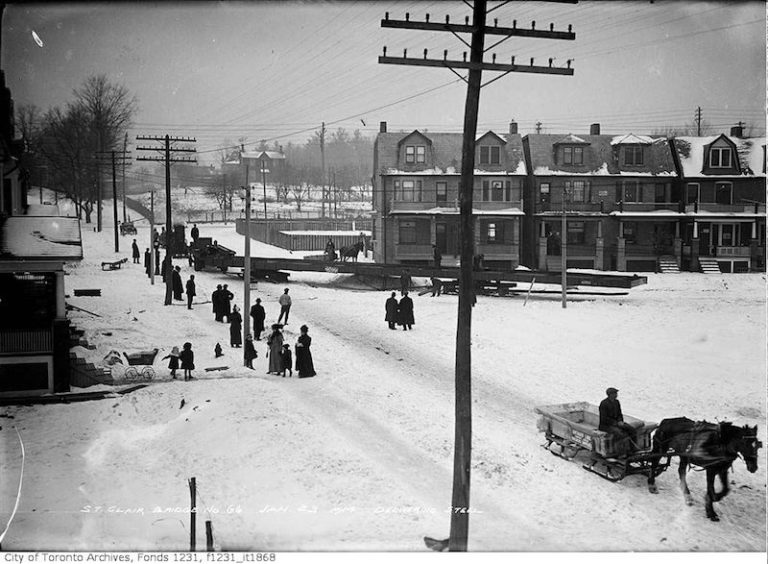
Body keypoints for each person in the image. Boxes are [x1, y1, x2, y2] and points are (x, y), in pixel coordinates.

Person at [598, 387, 638, 454]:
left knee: (632, 430)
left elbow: (619, 413)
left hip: (617, 423)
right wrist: (616, 423)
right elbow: (604, 419)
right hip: (606, 425)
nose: (616, 395)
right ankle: (620, 452)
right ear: (610, 394)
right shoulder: (603, 403)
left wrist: (620, 421)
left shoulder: (617, 402)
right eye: (615, 393)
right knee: (619, 434)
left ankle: (633, 449)